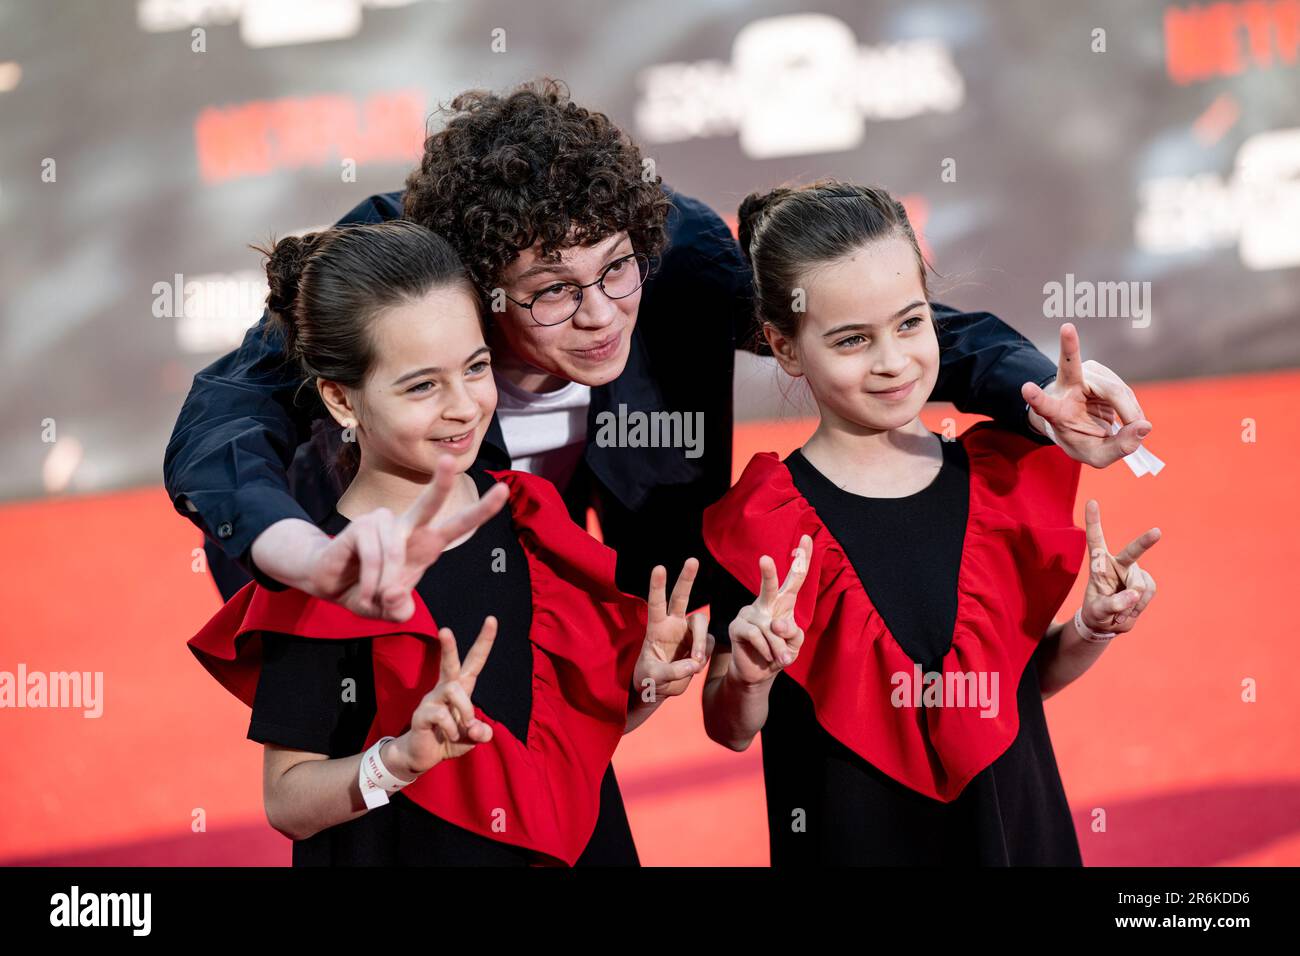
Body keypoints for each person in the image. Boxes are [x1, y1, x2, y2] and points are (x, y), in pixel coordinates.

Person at [164, 78, 1154, 860]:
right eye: (552, 291)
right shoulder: (396, 272)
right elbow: (223, 421)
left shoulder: (665, 243)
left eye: (615, 271)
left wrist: (1032, 385)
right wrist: (304, 553)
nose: (602, 314)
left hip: (602, 511)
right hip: (388, 557)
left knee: (557, 755)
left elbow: (846, 314)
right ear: (477, 288)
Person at [188, 221, 711, 866]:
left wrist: (644, 688)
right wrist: (399, 760)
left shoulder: (530, 513)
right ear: (341, 400)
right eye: (422, 385)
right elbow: (287, 803)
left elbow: (561, 741)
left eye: (476, 367)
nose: (463, 406)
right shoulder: (332, 572)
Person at [700, 181, 1162, 865]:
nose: (892, 361)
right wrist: (749, 675)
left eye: (910, 324)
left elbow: (1015, 688)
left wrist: (1090, 629)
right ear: (785, 348)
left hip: (1014, 838)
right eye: (852, 340)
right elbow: (729, 726)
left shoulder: (1000, 483)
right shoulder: (760, 525)